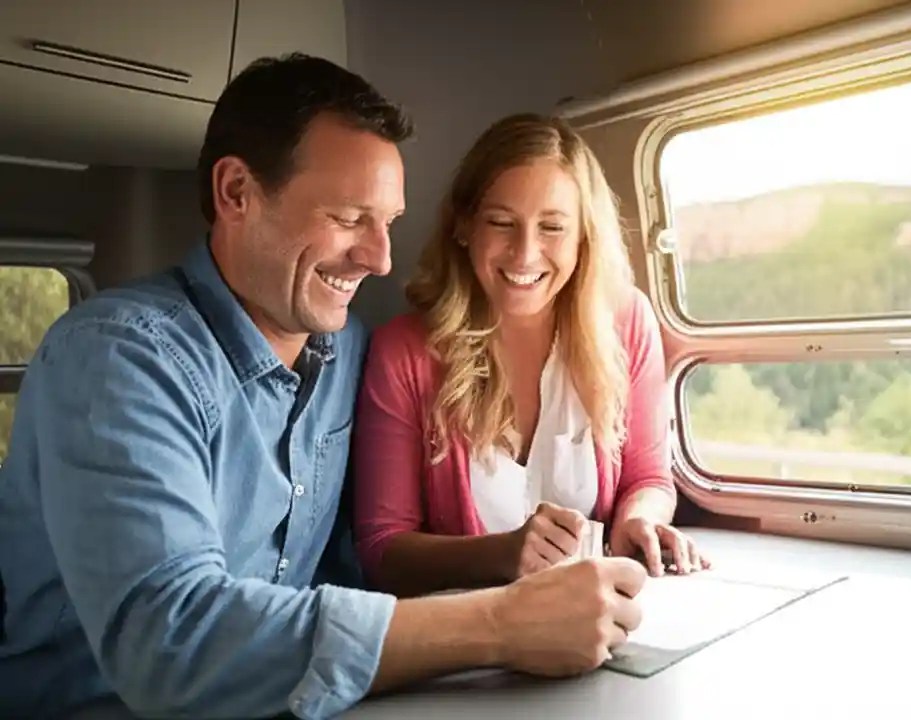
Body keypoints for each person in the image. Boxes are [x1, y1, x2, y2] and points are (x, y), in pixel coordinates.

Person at [0, 55, 646, 720]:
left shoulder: (345, 352)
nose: (380, 258)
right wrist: (501, 624)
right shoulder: (119, 357)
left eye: (387, 222)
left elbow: (355, 563)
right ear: (236, 192)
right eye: (347, 217)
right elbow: (171, 641)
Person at [351, 113, 710, 599]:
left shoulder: (628, 323)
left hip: (589, 614)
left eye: (553, 228)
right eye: (501, 223)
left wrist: (637, 521)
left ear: (584, 236)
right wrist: (499, 554)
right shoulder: (403, 352)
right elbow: (381, 550)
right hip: (463, 627)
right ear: (464, 226)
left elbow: (647, 479)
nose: (524, 254)